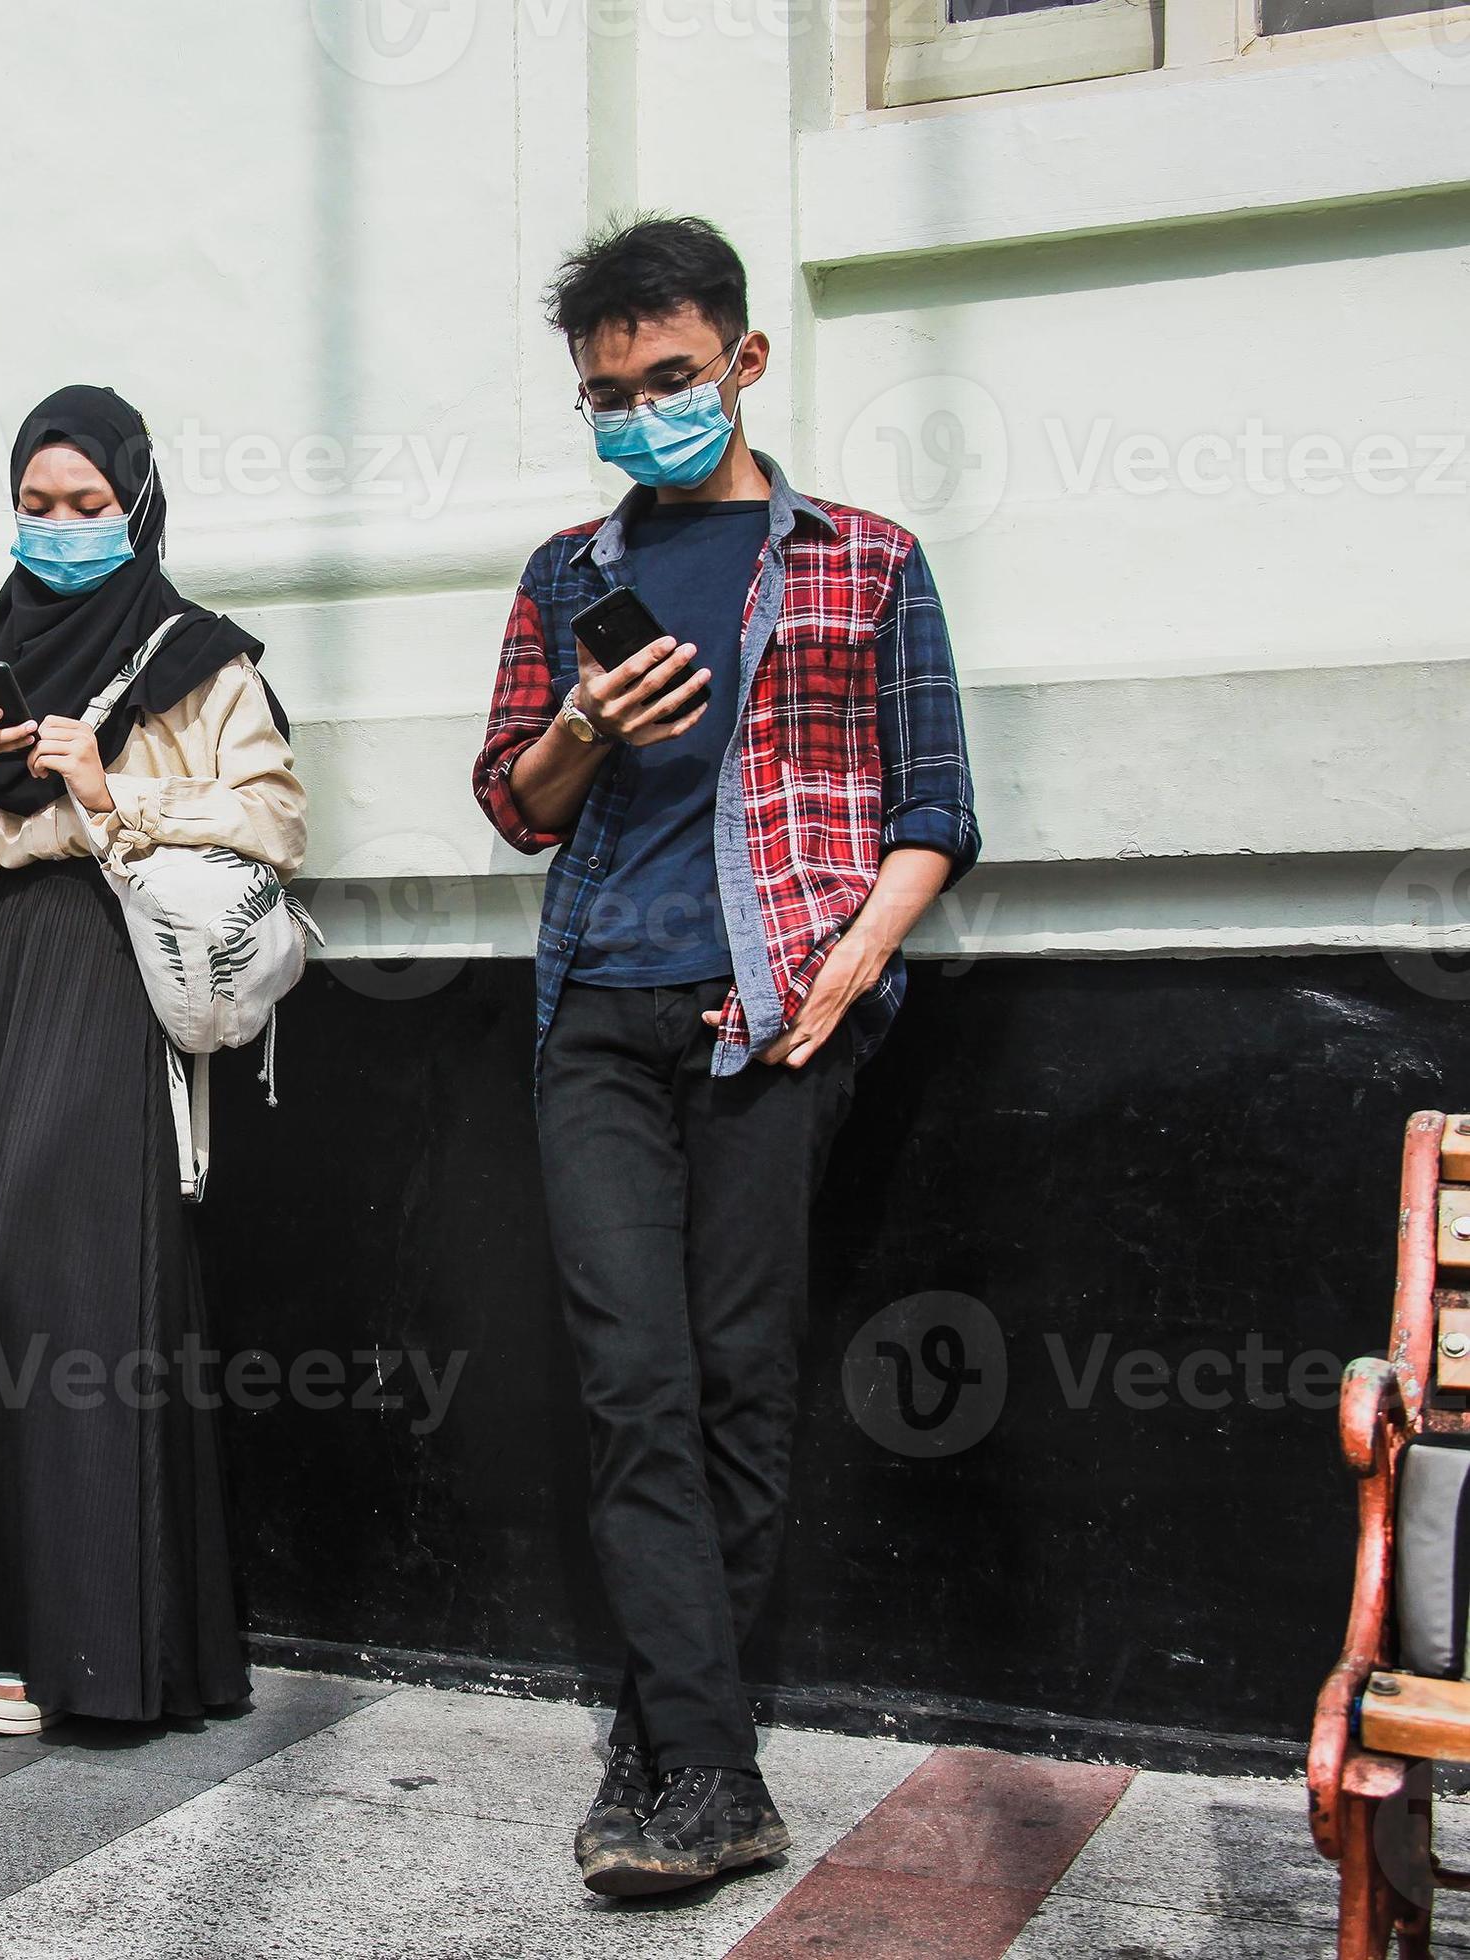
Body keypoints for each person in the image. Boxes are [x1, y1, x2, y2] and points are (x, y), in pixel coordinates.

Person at [474, 216, 982, 1896]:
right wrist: (579, 727)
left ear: (745, 364)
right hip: (600, 1018)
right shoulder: (567, 574)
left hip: (775, 1016)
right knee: (633, 1381)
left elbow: (935, 811)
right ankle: (708, 1766)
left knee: (739, 1382)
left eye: (669, 379)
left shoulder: (865, 556)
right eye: (608, 395)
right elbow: (514, 808)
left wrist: (840, 975)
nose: (639, 414)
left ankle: (672, 1748)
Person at [0, 385, 305, 1736]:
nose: (59, 531)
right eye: (37, 507)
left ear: (138, 504)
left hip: (106, 967)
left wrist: (115, 789)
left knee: (57, 1289)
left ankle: (87, 1649)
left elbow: (277, 820)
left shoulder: (201, 655)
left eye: (88, 507)